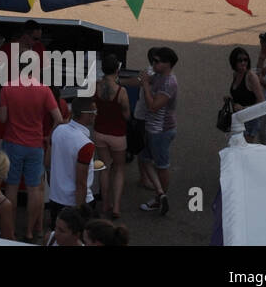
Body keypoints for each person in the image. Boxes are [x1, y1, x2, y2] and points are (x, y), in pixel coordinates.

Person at [0, 51, 64, 242]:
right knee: (34, 189)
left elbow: (2, 118)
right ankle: (30, 230)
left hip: (13, 143)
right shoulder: (44, 90)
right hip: (35, 144)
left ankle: (8, 228)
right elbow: (58, 118)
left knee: (11, 186)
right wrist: (47, 135)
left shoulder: (8, 88)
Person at [138, 46, 179, 215]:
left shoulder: (169, 83)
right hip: (152, 129)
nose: (153, 64)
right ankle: (160, 194)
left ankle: (160, 198)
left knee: (161, 166)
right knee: (144, 159)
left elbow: (153, 106)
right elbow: (140, 81)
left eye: (156, 61)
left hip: (161, 131)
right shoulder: (158, 75)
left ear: (167, 64)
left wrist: (146, 85)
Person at [92, 54, 130, 220]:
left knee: (104, 168)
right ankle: (116, 207)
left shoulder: (95, 86)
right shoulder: (121, 92)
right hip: (117, 135)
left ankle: (105, 203)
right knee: (119, 168)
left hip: (99, 132)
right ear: (117, 69)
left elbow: (93, 107)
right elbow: (127, 115)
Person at [48, 97, 97, 222]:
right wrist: (79, 213)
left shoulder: (57, 131)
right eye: (94, 112)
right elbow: (81, 184)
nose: (95, 115)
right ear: (86, 115)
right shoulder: (86, 144)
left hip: (55, 199)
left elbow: (47, 162)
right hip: (74, 203)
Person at [228, 46, 264, 143]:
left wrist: (243, 109)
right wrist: (231, 100)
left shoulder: (251, 77)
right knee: (235, 148)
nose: (243, 62)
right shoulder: (236, 74)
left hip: (250, 121)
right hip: (238, 120)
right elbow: (240, 95)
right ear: (234, 62)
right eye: (240, 60)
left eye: (245, 59)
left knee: (243, 150)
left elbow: (261, 102)